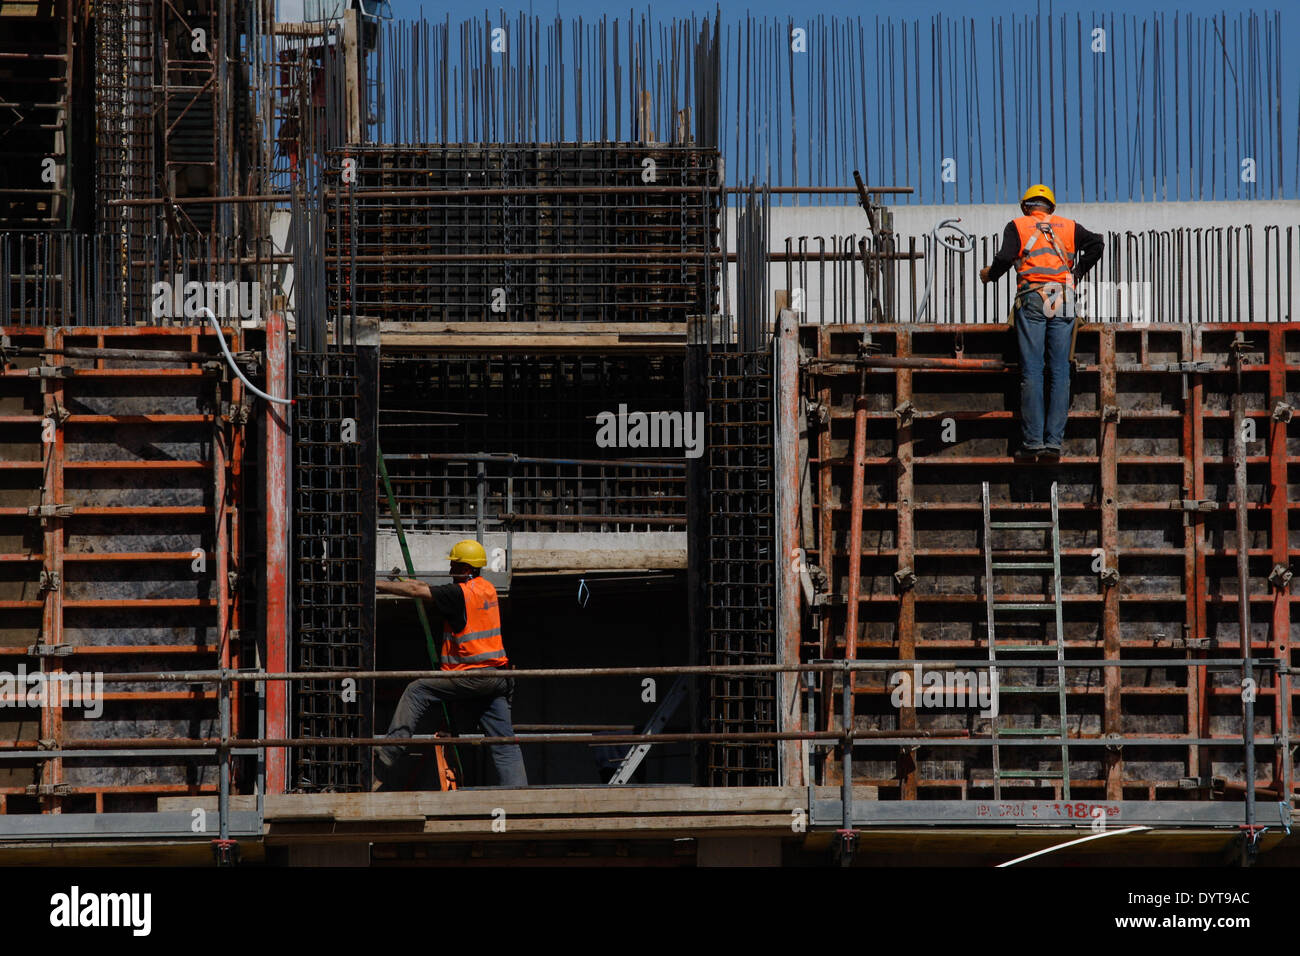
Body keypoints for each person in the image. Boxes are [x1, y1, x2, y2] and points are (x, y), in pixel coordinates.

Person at [374, 539, 528, 789]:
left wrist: (375, 585)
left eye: (454, 566)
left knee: (417, 690)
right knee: (504, 742)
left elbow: (417, 592)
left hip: (473, 676)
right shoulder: (486, 588)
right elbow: (422, 586)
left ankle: (387, 753)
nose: (450, 571)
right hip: (498, 677)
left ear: (466, 569)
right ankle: (519, 798)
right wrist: (398, 584)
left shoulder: (458, 594)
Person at [979, 184, 1104, 461]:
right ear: (1051, 208)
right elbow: (1097, 243)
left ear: (1026, 206)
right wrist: (1078, 271)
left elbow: (1003, 257)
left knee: (1032, 371)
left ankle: (1033, 442)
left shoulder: (1018, 225)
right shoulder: (1069, 226)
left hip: (1033, 297)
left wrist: (991, 275)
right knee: (1060, 372)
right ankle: (1054, 443)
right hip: (1063, 298)